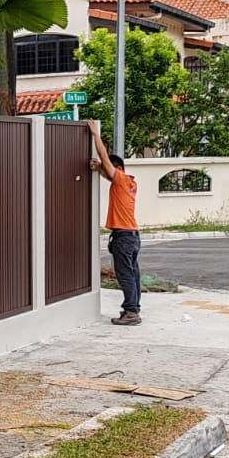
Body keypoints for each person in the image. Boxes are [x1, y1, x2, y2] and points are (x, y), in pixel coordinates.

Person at [89, 128, 141, 326]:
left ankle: (131, 312)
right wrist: (99, 169)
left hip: (124, 237)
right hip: (133, 235)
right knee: (133, 273)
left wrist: (96, 135)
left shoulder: (119, 178)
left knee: (125, 274)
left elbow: (107, 163)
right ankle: (134, 308)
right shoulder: (129, 182)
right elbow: (109, 175)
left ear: (117, 168)